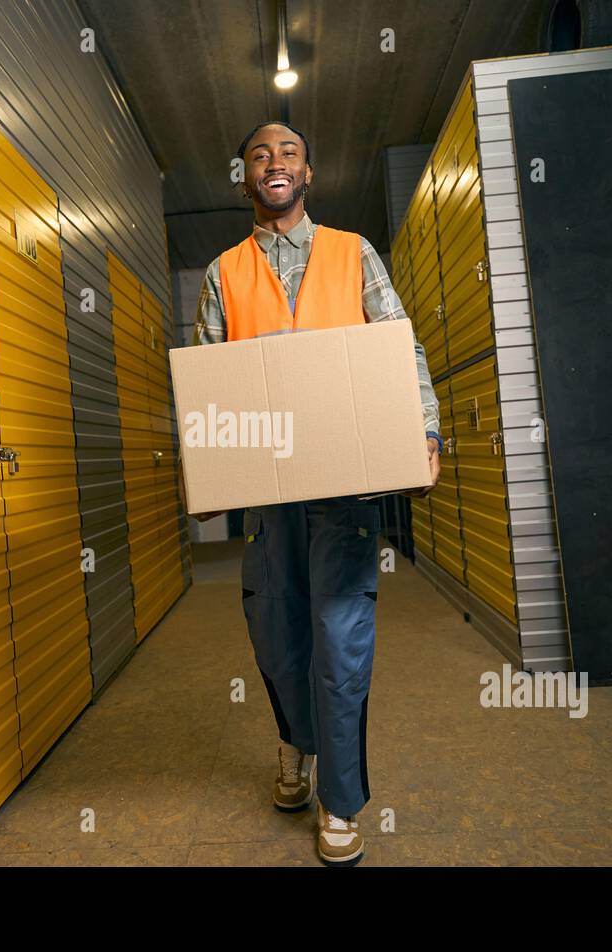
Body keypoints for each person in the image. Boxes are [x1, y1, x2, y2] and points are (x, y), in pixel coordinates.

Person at [188, 121, 441, 866]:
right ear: (246, 180)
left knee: (339, 636)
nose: (275, 162)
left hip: (345, 486)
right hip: (268, 492)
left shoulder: (352, 252)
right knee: (278, 631)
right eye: (260, 155)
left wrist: (425, 433)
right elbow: (204, 379)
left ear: (309, 174)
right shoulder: (223, 272)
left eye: (289, 152)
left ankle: (341, 800)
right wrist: (201, 470)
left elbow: (400, 345)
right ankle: (293, 740)